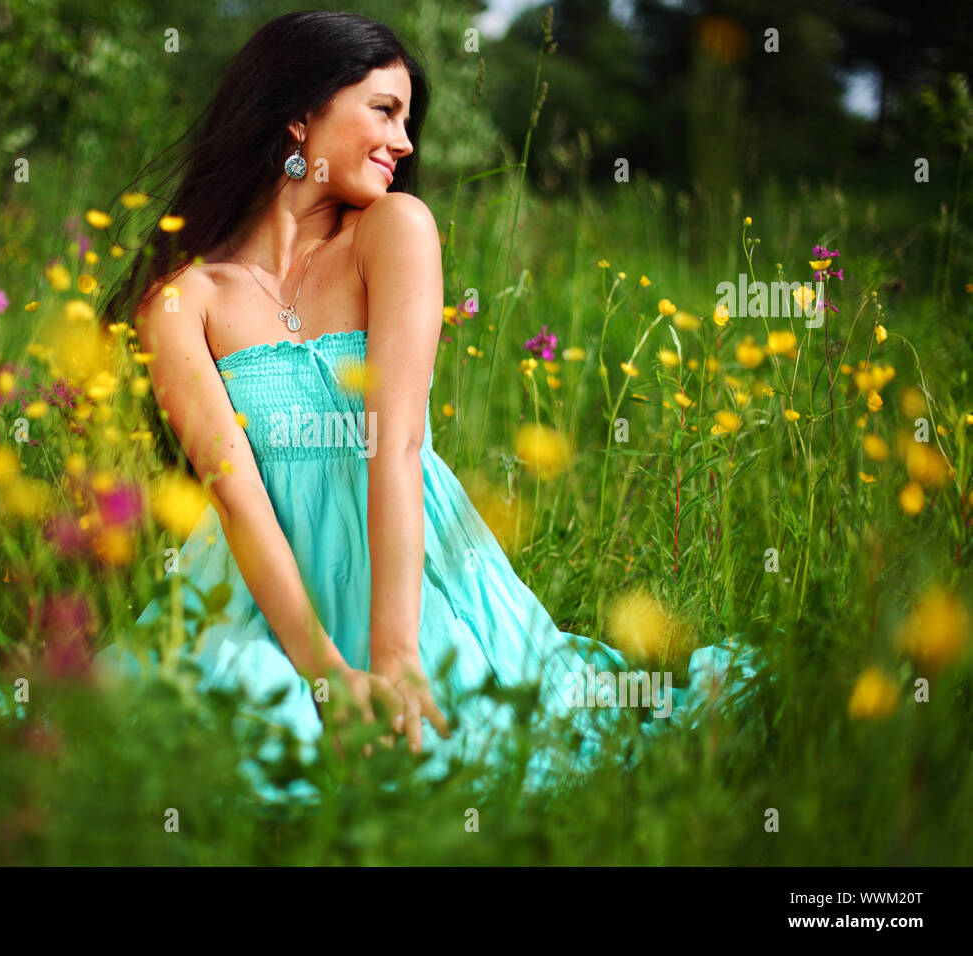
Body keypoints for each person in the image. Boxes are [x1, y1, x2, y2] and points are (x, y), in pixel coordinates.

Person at [97, 11, 760, 806]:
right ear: (300, 113)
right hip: (262, 595)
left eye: (407, 119)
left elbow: (397, 444)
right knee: (221, 750)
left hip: (405, 581)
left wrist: (395, 652)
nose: (404, 141)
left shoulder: (394, 230)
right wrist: (327, 677)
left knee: (455, 754)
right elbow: (235, 497)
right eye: (384, 110)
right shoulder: (183, 302)